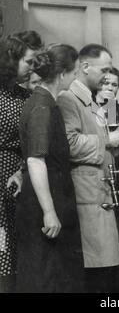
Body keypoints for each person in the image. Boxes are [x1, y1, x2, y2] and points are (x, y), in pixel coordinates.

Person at [57, 44, 119, 293]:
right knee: (95, 269)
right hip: (88, 195)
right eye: (104, 69)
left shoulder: (90, 100)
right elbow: (69, 144)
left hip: (99, 193)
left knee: (104, 267)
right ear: (85, 67)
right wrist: (108, 140)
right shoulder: (69, 99)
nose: (108, 76)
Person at [16, 44, 84, 293]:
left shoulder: (42, 102)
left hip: (49, 196)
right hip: (44, 202)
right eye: (75, 72)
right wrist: (49, 211)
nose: (76, 77)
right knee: (45, 277)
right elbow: (35, 159)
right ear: (63, 74)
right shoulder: (43, 106)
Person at [0, 33, 40, 293]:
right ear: (10, 60)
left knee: (15, 244)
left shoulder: (26, 96)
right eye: (28, 61)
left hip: (18, 173)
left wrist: (23, 170)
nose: (32, 67)